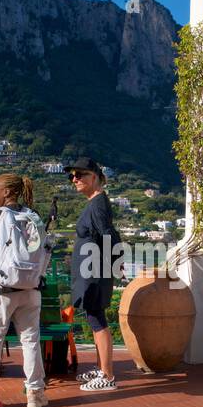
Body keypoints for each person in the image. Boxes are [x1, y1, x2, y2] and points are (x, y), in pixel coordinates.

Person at [0, 172, 48, 407]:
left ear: (7, 192)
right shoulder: (33, 216)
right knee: (30, 341)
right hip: (31, 287)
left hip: (0, 289)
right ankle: (35, 393)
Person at [67, 156, 123, 393]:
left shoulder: (98, 203)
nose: (75, 179)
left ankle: (108, 376)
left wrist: (116, 262)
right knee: (93, 317)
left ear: (96, 178)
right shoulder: (94, 203)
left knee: (97, 319)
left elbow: (109, 234)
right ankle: (101, 369)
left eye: (80, 174)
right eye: (73, 175)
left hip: (95, 271)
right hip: (92, 270)